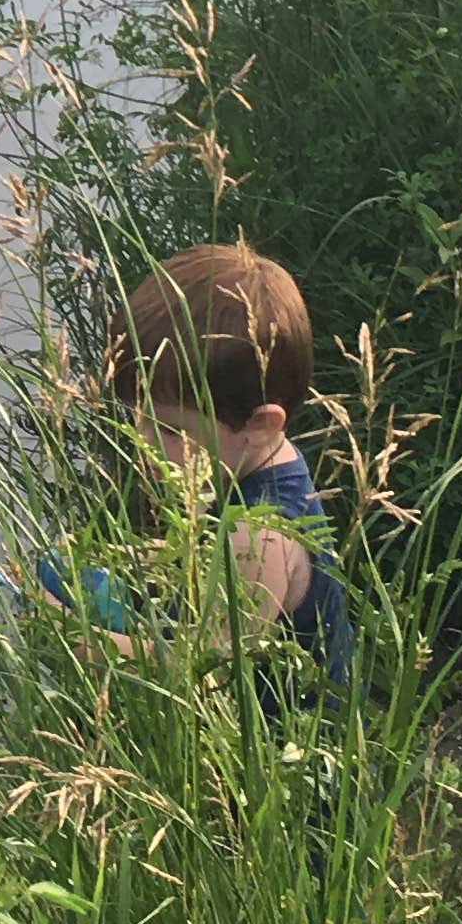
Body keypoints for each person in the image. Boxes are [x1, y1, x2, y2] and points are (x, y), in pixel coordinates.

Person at [79, 241, 353, 685]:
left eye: (168, 429)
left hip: (282, 746)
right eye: (136, 416)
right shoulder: (256, 461)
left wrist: (79, 640)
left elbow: (199, 670)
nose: (141, 441)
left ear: (261, 423)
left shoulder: (258, 537)